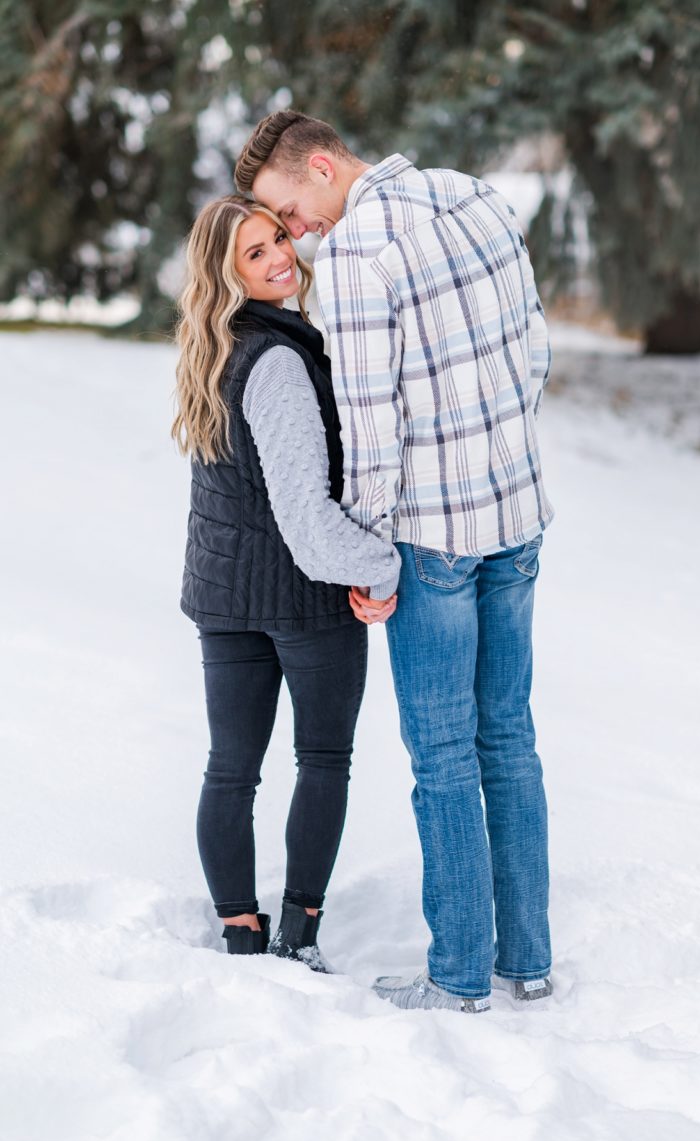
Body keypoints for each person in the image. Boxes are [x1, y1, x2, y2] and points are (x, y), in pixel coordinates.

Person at [235, 112, 555, 1013]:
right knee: (511, 738)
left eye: (289, 206)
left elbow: (374, 431)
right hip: (521, 520)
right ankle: (526, 962)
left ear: (325, 165)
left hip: (434, 540)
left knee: (446, 754)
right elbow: (535, 351)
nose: (294, 230)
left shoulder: (358, 256)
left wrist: (371, 562)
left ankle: (458, 977)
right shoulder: (475, 195)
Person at [172, 195, 399, 971]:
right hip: (302, 602)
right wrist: (381, 566)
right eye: (255, 255)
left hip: (225, 597)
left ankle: (240, 931)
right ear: (225, 277)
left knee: (230, 768)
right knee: (322, 760)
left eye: (276, 241)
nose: (280, 260)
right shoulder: (275, 362)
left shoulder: (214, 351)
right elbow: (308, 522)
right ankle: (296, 937)